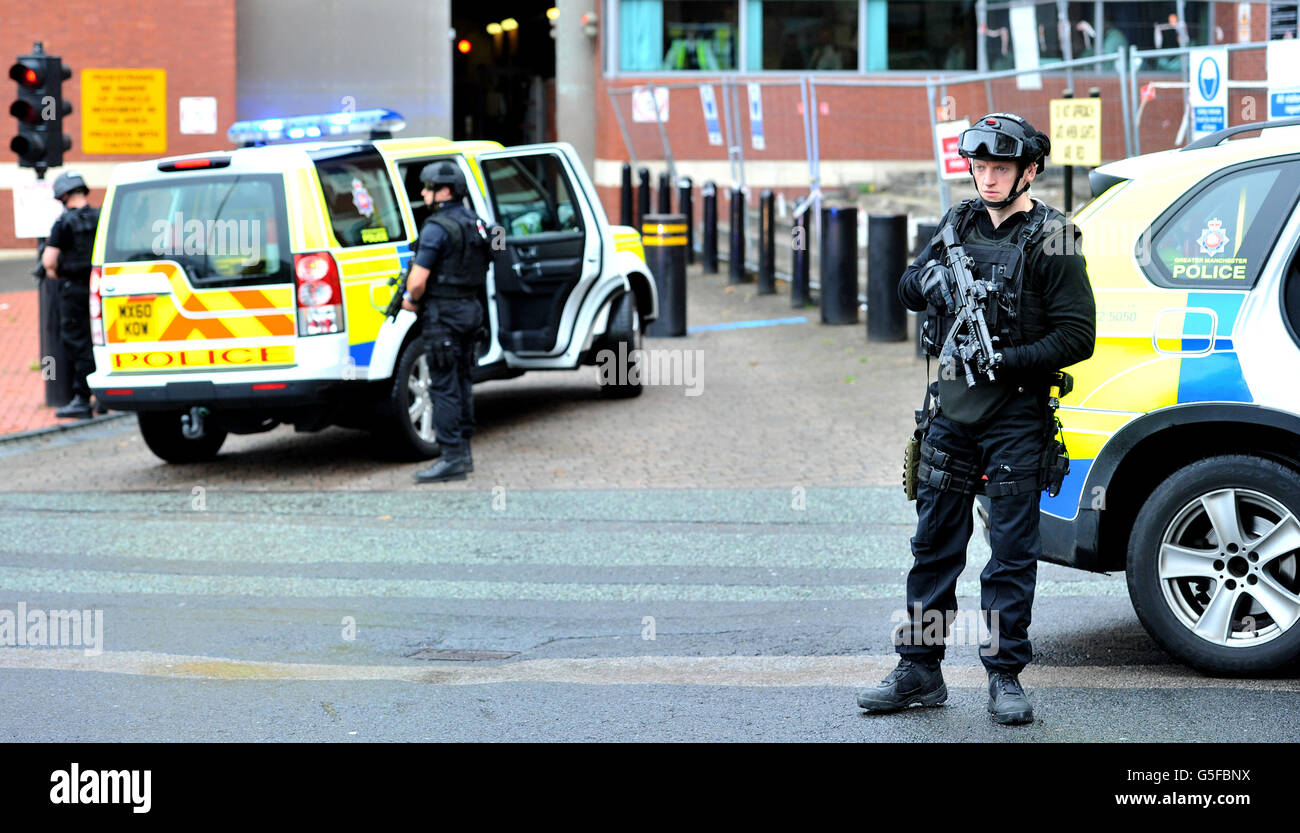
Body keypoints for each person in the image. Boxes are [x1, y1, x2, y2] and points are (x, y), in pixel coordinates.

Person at [857, 113, 1095, 724]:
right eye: (981, 167)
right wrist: (932, 279)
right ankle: (919, 669)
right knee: (934, 544)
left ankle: (1004, 675)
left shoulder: (1055, 237)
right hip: (950, 413)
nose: (988, 178)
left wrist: (1009, 361)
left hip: (1016, 416)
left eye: (1001, 168)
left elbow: (1078, 336)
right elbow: (906, 285)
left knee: (1010, 552)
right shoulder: (956, 223)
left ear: (1029, 171)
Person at [401, 161, 490, 483]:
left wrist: (411, 299)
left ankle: (452, 457)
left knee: (444, 387)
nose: (423, 193)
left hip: (444, 317)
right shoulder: (478, 223)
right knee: (464, 382)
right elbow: (498, 253)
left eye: (428, 187)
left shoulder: (436, 228)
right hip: (471, 309)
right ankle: (463, 452)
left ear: (445, 191)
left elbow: (417, 282)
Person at [42, 171, 101, 420]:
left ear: (64, 195)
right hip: (99, 287)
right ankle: (102, 398)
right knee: (99, 340)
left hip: (74, 290)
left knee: (78, 342)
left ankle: (81, 399)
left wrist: (56, 274)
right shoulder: (101, 217)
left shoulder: (63, 223)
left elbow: (49, 262)